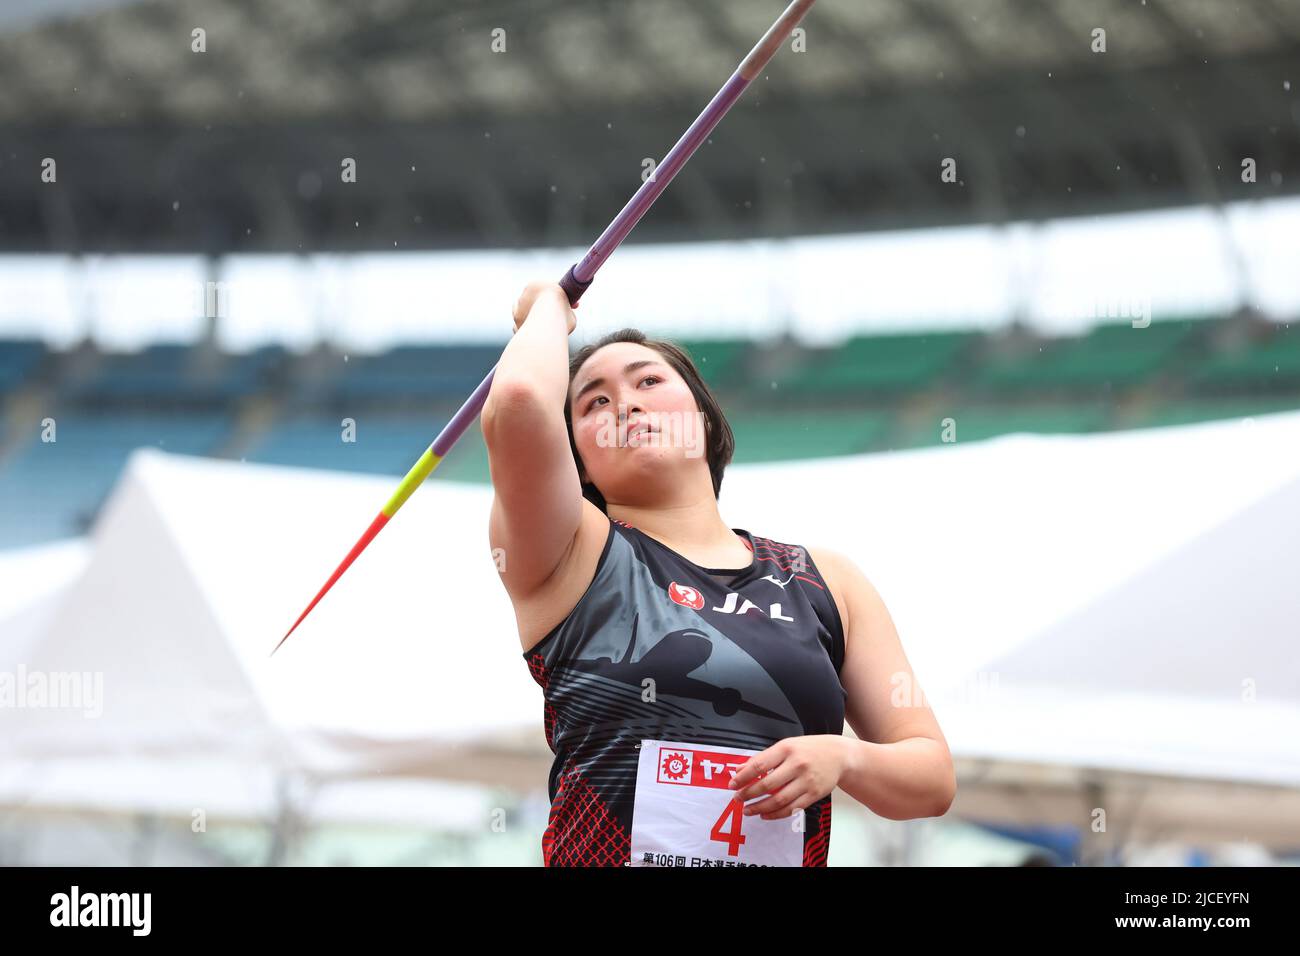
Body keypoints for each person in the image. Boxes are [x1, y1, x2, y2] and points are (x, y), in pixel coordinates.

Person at [483, 280, 956, 867]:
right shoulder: (570, 553)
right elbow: (522, 403)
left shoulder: (824, 582)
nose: (625, 404)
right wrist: (546, 311)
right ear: (576, 458)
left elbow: (931, 775)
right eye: (594, 402)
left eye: (648, 381)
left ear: (704, 419)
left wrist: (843, 757)